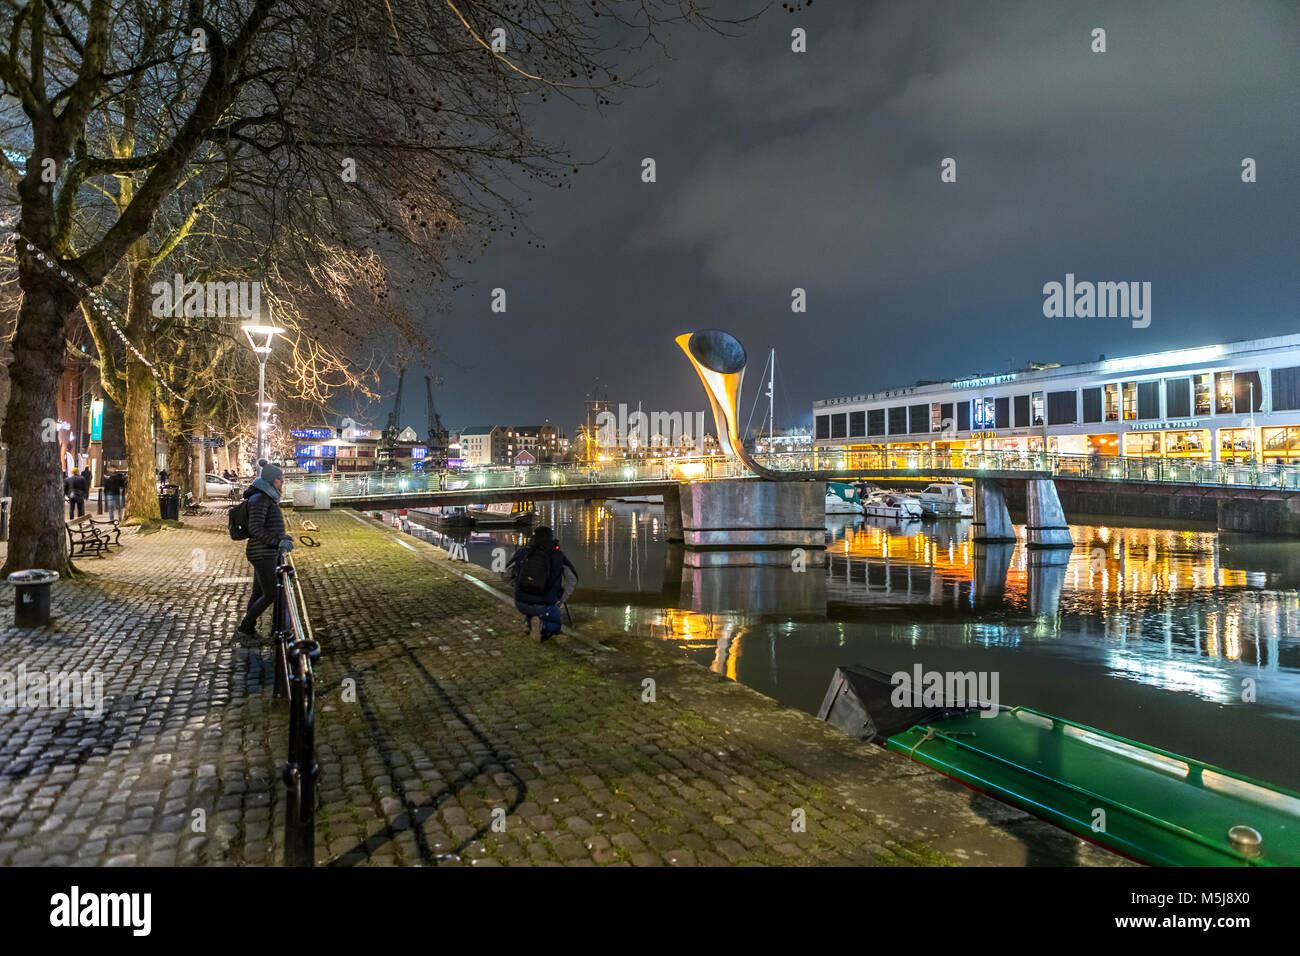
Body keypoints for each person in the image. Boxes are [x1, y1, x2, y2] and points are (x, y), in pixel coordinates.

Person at [234, 462, 294, 643]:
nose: (282, 483)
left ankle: (248, 630)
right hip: (262, 553)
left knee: (258, 594)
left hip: (264, 552)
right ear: (270, 480)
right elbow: (255, 529)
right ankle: (244, 629)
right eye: (280, 480)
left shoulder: (264, 498)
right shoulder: (260, 499)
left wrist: (282, 537)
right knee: (271, 594)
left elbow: (265, 526)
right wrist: (278, 541)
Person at [505, 525, 577, 641]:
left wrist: (517, 585)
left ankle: (529, 623)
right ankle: (542, 626)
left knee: (532, 605)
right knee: (556, 626)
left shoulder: (522, 552)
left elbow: (506, 573)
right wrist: (562, 599)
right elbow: (572, 578)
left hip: (521, 603)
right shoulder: (557, 555)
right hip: (546, 605)